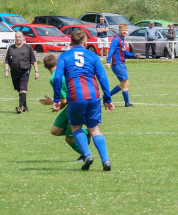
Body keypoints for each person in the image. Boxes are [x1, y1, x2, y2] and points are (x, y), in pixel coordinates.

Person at [52, 28, 114, 171]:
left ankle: (87, 155)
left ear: (70, 42)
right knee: (94, 129)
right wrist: (107, 98)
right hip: (93, 95)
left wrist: (56, 98)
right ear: (85, 42)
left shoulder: (64, 56)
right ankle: (106, 160)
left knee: (76, 127)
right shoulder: (92, 56)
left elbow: (57, 77)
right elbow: (103, 77)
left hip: (76, 96)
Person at [39, 53, 91, 161]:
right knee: (55, 131)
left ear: (44, 66)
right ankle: (85, 133)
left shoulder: (54, 78)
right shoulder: (63, 72)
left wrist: (52, 103)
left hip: (74, 106)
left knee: (69, 139)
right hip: (75, 103)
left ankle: (86, 154)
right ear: (57, 63)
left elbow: (64, 101)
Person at [4, 31, 39, 113]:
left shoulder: (28, 47)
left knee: (23, 88)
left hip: (25, 71)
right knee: (19, 90)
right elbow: (7, 61)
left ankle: (19, 107)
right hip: (14, 72)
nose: (18, 38)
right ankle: (25, 107)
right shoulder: (11, 48)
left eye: (19, 37)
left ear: (23, 37)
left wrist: (36, 71)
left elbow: (33, 61)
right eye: (16, 37)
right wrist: (6, 70)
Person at [107, 24, 136, 107]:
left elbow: (125, 52)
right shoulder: (116, 39)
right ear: (119, 31)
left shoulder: (122, 40)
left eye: (125, 30)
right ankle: (127, 103)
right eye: (122, 30)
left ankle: (107, 96)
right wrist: (108, 62)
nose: (124, 31)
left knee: (124, 84)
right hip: (117, 64)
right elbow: (111, 51)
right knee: (125, 84)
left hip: (122, 64)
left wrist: (134, 55)